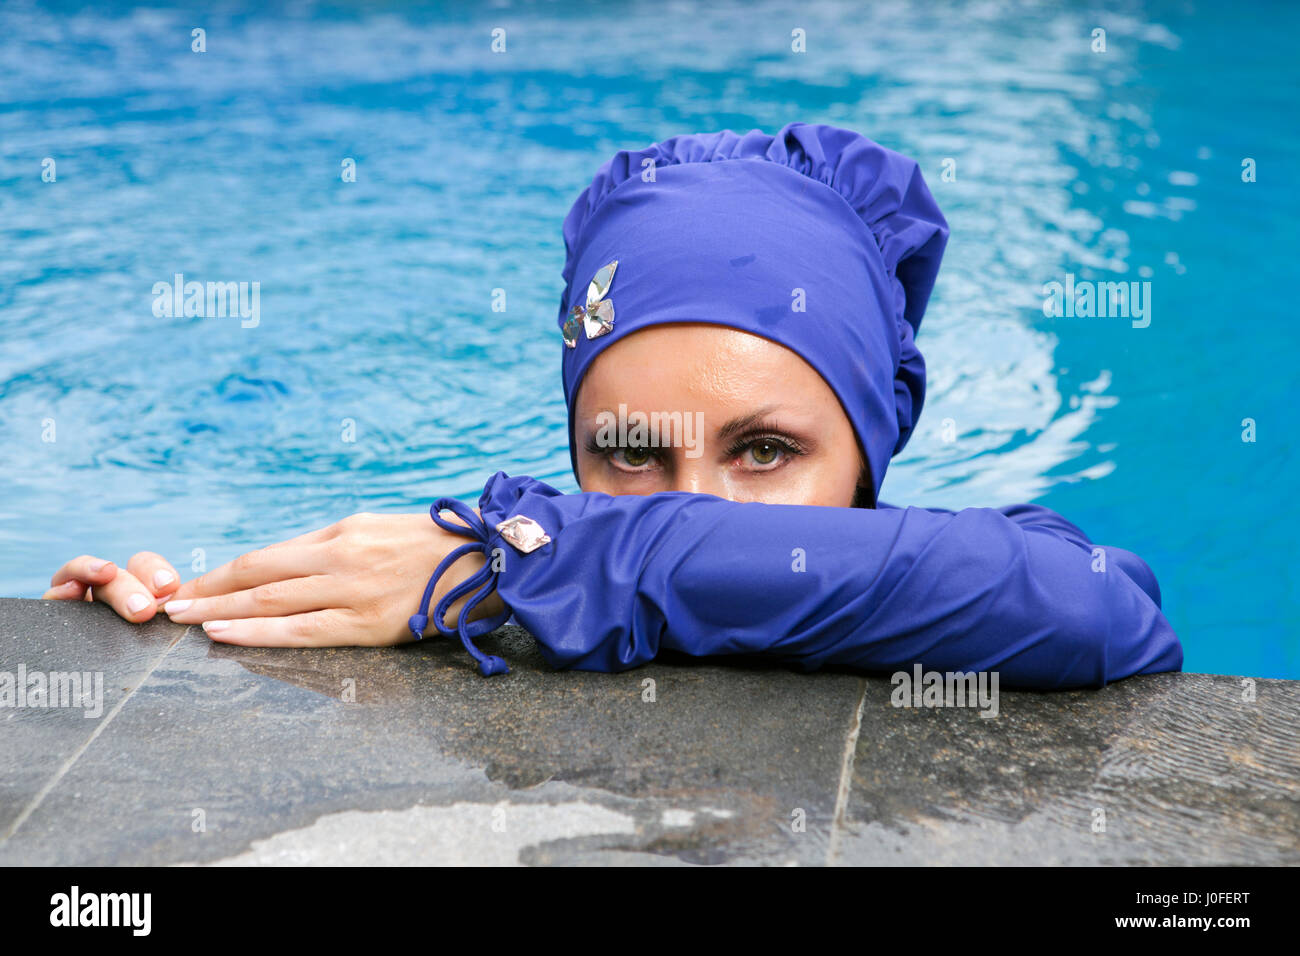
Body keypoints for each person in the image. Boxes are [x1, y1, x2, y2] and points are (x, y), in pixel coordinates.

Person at [43, 122, 1182, 689]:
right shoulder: (506, 569)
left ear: (874, 436)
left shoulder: (531, 556)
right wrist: (176, 608)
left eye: (768, 448)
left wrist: (569, 556)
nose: (696, 504)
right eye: (629, 453)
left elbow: (1101, 611)